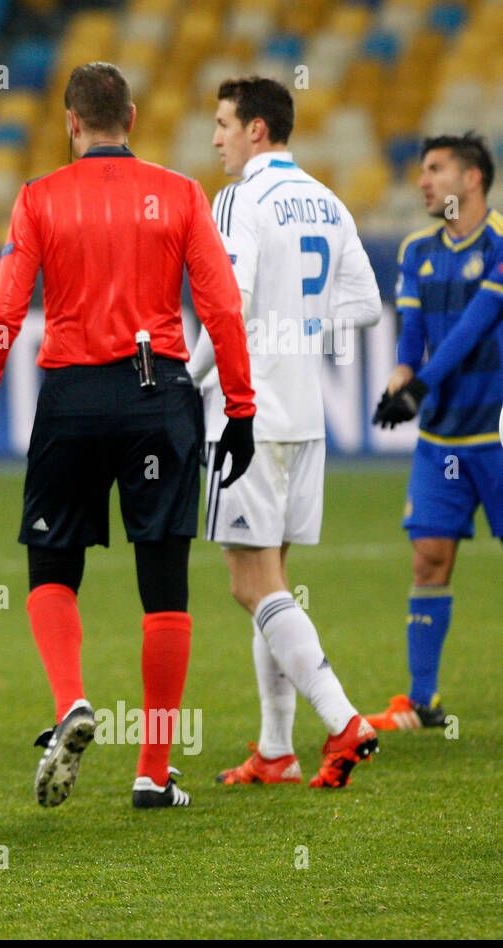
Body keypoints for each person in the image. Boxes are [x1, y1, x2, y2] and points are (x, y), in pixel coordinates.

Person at [0, 62, 256, 810]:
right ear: (133, 116)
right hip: (158, 396)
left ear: (70, 122)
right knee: (165, 584)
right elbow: (221, 307)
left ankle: (70, 703)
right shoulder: (182, 195)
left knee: (52, 564)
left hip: (73, 399)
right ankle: (153, 771)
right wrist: (242, 408)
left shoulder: (40, 199)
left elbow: (1, 308)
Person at [187, 77, 383, 788]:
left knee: (251, 584)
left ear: (257, 131)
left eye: (223, 124)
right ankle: (276, 749)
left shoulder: (240, 199)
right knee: (274, 585)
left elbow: (225, 303)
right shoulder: (328, 200)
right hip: (305, 419)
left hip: (249, 415)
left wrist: (188, 376)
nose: (215, 138)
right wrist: (302, 331)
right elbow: (365, 304)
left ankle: (343, 719)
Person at [366, 133, 503, 730]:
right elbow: (412, 336)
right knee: (428, 559)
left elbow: (476, 325)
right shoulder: (416, 249)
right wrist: (401, 380)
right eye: (422, 170)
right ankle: (423, 701)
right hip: (444, 439)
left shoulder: (500, 242)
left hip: (496, 434)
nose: (423, 181)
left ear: (471, 180)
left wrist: (421, 386)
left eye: (436, 169)